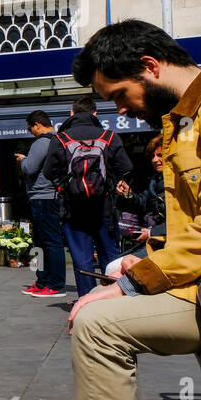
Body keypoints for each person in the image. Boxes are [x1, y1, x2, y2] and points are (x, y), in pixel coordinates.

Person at [18, 19, 201, 400]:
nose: (119, 109)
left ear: (150, 67)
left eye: (119, 94)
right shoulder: (190, 113)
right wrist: (137, 259)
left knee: (99, 324)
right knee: (93, 311)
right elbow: (197, 220)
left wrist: (134, 282)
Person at [43, 95, 133, 301]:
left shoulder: (61, 139)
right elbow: (127, 167)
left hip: (73, 210)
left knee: (82, 260)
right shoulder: (109, 136)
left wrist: (67, 183)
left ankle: (87, 301)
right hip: (105, 208)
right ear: (95, 114)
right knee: (110, 258)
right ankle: (114, 299)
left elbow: (48, 172)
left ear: (72, 114)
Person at [14, 110, 66, 298]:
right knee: (42, 242)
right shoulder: (59, 140)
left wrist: (23, 159)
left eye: (31, 129)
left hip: (43, 197)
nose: (31, 132)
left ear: (37, 124)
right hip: (48, 196)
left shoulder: (42, 142)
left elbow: (29, 168)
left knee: (49, 242)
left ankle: (55, 284)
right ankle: (43, 280)